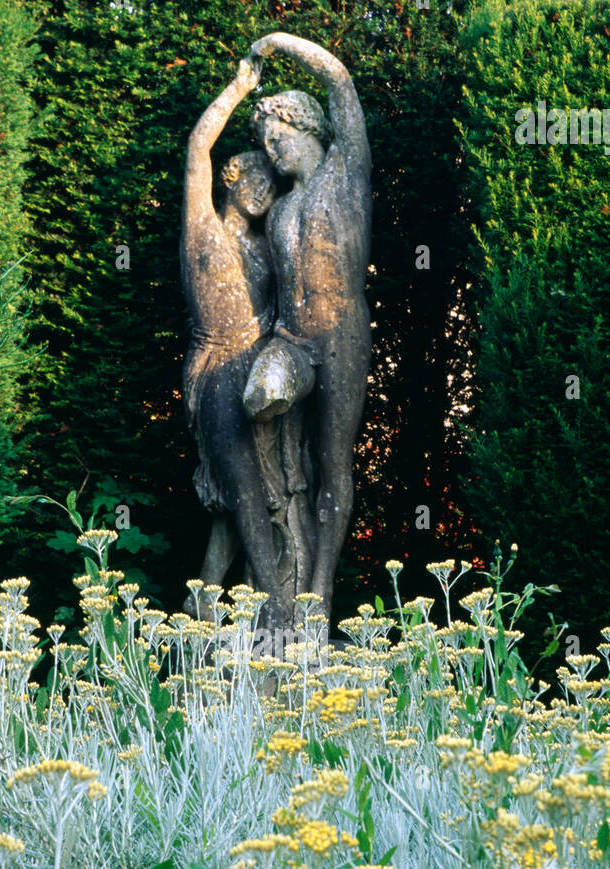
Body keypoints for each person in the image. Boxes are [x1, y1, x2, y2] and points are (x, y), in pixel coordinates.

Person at [246, 33, 372, 617]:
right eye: (266, 144)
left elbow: (340, 83)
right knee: (258, 397)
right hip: (291, 338)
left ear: (308, 127)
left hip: (341, 335)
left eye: (279, 138)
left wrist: (281, 44)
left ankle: (317, 592)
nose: (273, 152)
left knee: (334, 462)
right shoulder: (281, 206)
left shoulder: (346, 169)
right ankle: (277, 538)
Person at [180, 56, 292, 627]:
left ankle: (195, 622)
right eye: (257, 181)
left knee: (232, 510)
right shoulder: (202, 224)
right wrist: (238, 87)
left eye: (274, 188)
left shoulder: (269, 248)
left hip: (253, 376)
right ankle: (278, 614)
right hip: (217, 370)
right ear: (233, 176)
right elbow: (198, 148)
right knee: (245, 491)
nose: (265, 194)